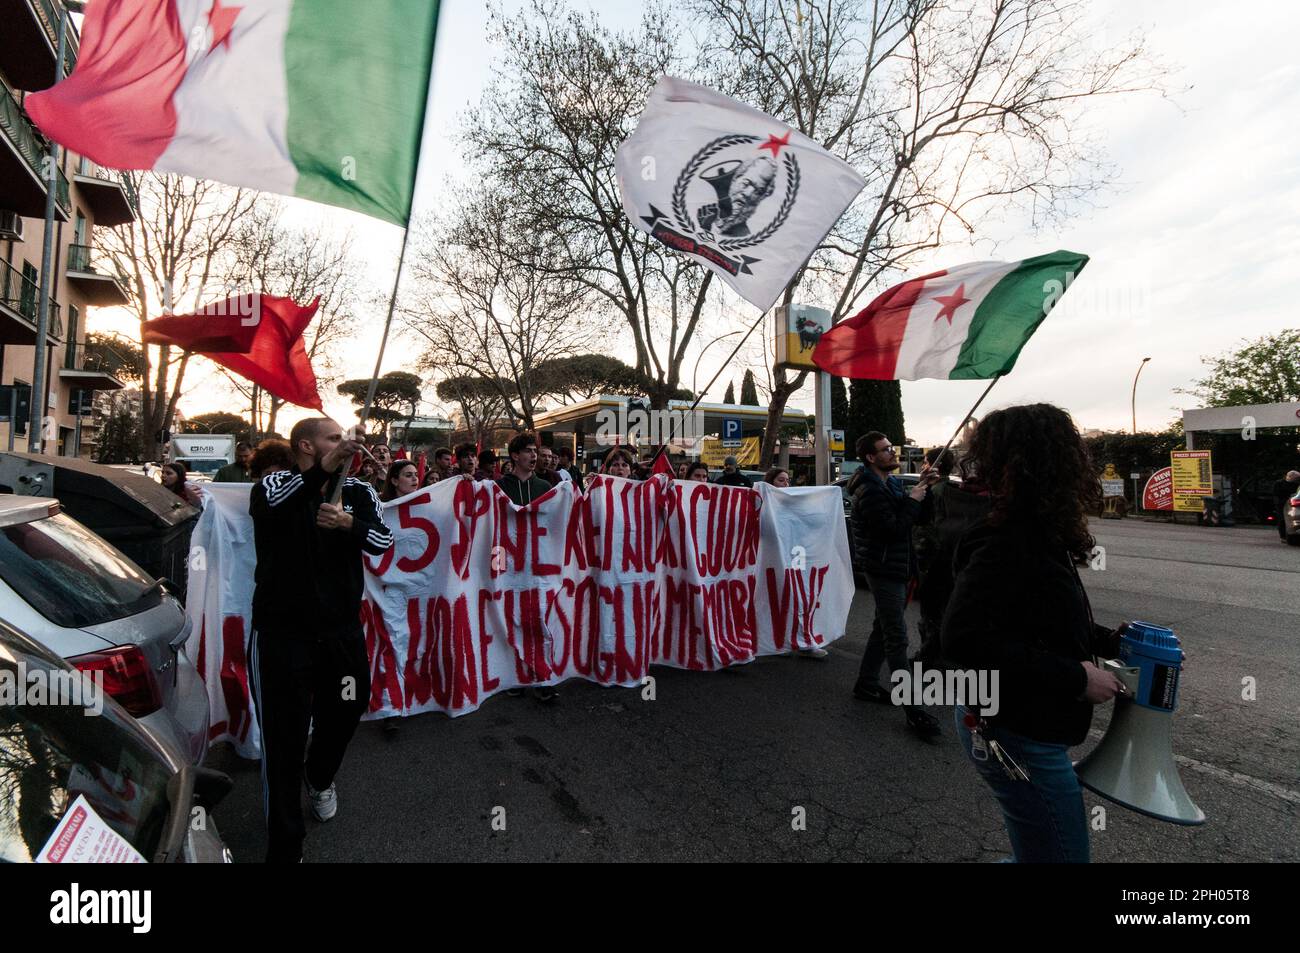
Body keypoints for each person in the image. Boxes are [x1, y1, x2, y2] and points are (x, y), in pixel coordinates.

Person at [942, 404, 1128, 863]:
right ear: (1053, 461)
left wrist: (1111, 641)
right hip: (1013, 732)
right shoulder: (1006, 538)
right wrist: (1076, 678)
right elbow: (964, 638)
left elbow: (1035, 620)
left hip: (1022, 728)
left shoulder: (1034, 529)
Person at [248, 417, 394, 863]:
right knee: (284, 740)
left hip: (340, 632)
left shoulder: (359, 492)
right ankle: (286, 847)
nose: (345, 444)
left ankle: (321, 774)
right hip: (283, 635)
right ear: (306, 446)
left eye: (343, 438)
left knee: (349, 707)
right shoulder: (278, 483)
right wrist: (322, 473)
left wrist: (348, 524)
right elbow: (276, 508)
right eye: (333, 439)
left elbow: (384, 541)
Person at [850, 431, 942, 738]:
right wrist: (913, 499)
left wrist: (924, 489)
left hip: (897, 567)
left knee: (883, 628)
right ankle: (914, 711)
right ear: (870, 458)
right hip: (884, 569)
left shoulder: (887, 483)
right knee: (896, 637)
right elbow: (892, 528)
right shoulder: (869, 489)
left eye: (891, 447)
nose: (892, 452)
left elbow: (916, 519)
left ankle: (866, 683)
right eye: (885, 450)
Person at [496, 433, 559, 702]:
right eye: (528, 451)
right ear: (514, 456)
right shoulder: (497, 488)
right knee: (511, 618)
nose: (534, 456)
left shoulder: (546, 486)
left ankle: (543, 676)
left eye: (536, 451)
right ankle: (516, 675)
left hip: (539, 565)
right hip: (506, 564)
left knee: (541, 618)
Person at [1272, 469, 1300, 541]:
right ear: (1291, 476)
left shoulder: (1296, 484)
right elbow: (1276, 494)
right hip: (1281, 504)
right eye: (1296, 478)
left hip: (1290, 503)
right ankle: (1283, 536)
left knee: (1288, 519)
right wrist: (1279, 502)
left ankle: (1288, 534)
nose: (1297, 479)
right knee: (1282, 520)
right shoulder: (1279, 483)